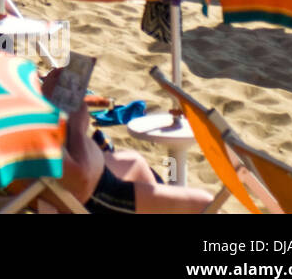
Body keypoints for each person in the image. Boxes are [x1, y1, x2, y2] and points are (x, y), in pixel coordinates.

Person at [40, 68, 215, 214]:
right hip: (82, 191)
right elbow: (79, 175)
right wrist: (77, 123)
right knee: (205, 204)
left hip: (59, 178)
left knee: (134, 161)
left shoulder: (15, 97)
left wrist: (46, 99)